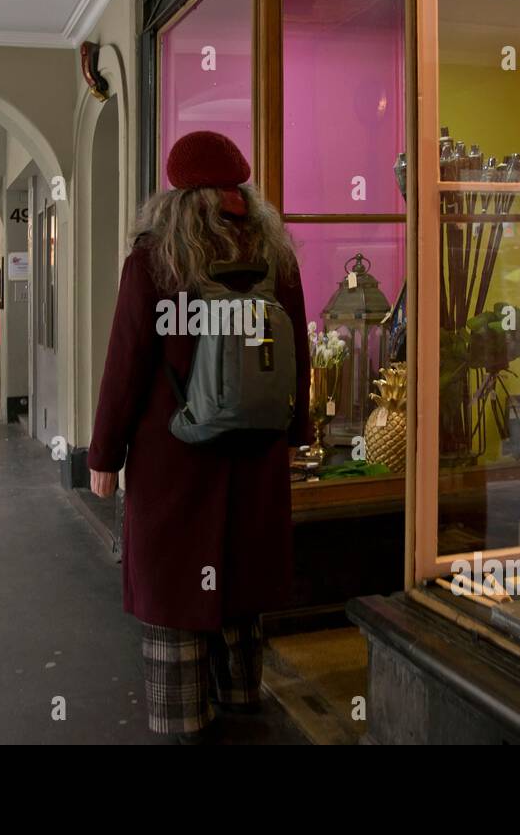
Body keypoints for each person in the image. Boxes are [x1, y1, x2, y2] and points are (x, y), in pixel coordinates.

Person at [87, 131, 310, 743]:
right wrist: (296, 431)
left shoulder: (155, 259)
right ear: (242, 191)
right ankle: (240, 690)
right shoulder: (275, 254)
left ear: (175, 195)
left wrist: (104, 454)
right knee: (240, 574)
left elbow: (126, 363)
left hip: (175, 454)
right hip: (257, 452)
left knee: (176, 585)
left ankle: (183, 712)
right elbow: (299, 353)